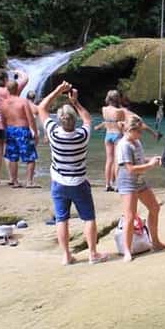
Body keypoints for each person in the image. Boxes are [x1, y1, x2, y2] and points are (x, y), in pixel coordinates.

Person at [39, 81, 110, 265]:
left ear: (59, 120)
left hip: (59, 183)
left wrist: (57, 91)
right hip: (79, 182)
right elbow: (88, 119)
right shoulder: (82, 135)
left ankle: (66, 256)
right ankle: (93, 254)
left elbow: (41, 108)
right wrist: (76, 102)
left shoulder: (53, 133)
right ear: (74, 120)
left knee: (62, 219)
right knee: (88, 217)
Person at [116, 118, 165, 261]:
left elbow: (138, 160)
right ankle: (127, 251)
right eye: (138, 131)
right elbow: (130, 168)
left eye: (141, 131)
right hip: (127, 183)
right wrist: (150, 165)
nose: (141, 134)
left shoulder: (136, 142)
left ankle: (156, 242)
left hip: (140, 181)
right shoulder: (123, 145)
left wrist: (151, 159)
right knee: (130, 216)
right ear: (130, 130)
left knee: (155, 208)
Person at [0, 78, 39, 187]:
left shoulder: (3, 103)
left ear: (7, 90)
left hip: (10, 130)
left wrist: (5, 134)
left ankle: (15, 181)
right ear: (17, 89)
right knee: (31, 157)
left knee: (12, 157)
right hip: (23, 130)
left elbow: (2, 121)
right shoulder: (23, 101)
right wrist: (35, 133)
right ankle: (29, 182)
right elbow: (30, 119)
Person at [95, 90, 128, 192]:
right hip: (117, 134)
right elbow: (123, 124)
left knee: (109, 160)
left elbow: (106, 122)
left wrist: (99, 126)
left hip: (108, 135)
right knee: (117, 160)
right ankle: (117, 184)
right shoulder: (120, 111)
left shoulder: (104, 109)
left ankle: (107, 184)